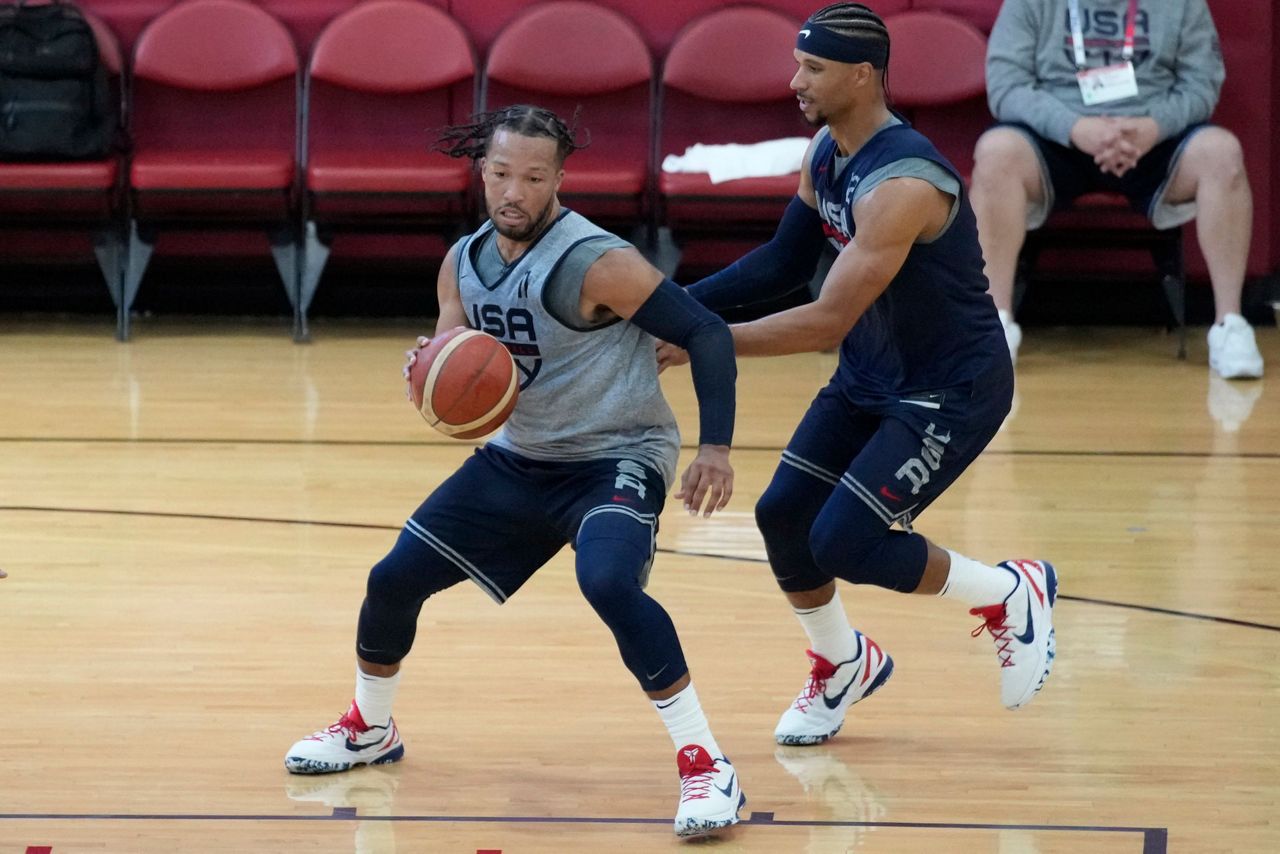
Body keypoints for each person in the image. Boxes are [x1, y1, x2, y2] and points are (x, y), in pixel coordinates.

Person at [285, 105, 746, 839]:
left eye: (534, 178)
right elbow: (453, 354)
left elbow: (706, 330)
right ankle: (370, 727)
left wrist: (714, 447)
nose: (515, 192)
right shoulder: (462, 262)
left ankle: (705, 763)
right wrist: (428, 372)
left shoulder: (597, 261)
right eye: (502, 174)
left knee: (608, 582)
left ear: (559, 179)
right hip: (520, 456)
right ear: (482, 172)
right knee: (392, 579)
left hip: (615, 455)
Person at [659, 3, 1058, 747]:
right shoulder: (827, 150)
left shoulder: (904, 184)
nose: (794, 81)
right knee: (783, 517)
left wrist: (704, 342)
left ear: (863, 76)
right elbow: (782, 264)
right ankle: (843, 662)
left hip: (949, 389)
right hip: (870, 373)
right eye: (798, 64)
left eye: (813, 68)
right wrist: (670, 307)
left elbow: (824, 321)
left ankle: (1009, 591)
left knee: (844, 539)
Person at [970, 0, 1264, 379]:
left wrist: (1153, 127)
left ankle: (1230, 324)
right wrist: (1075, 128)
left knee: (1223, 154)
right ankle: (992, 326)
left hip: (1151, 138)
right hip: (1057, 136)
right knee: (995, 153)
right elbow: (1006, 86)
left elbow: (1202, 83)